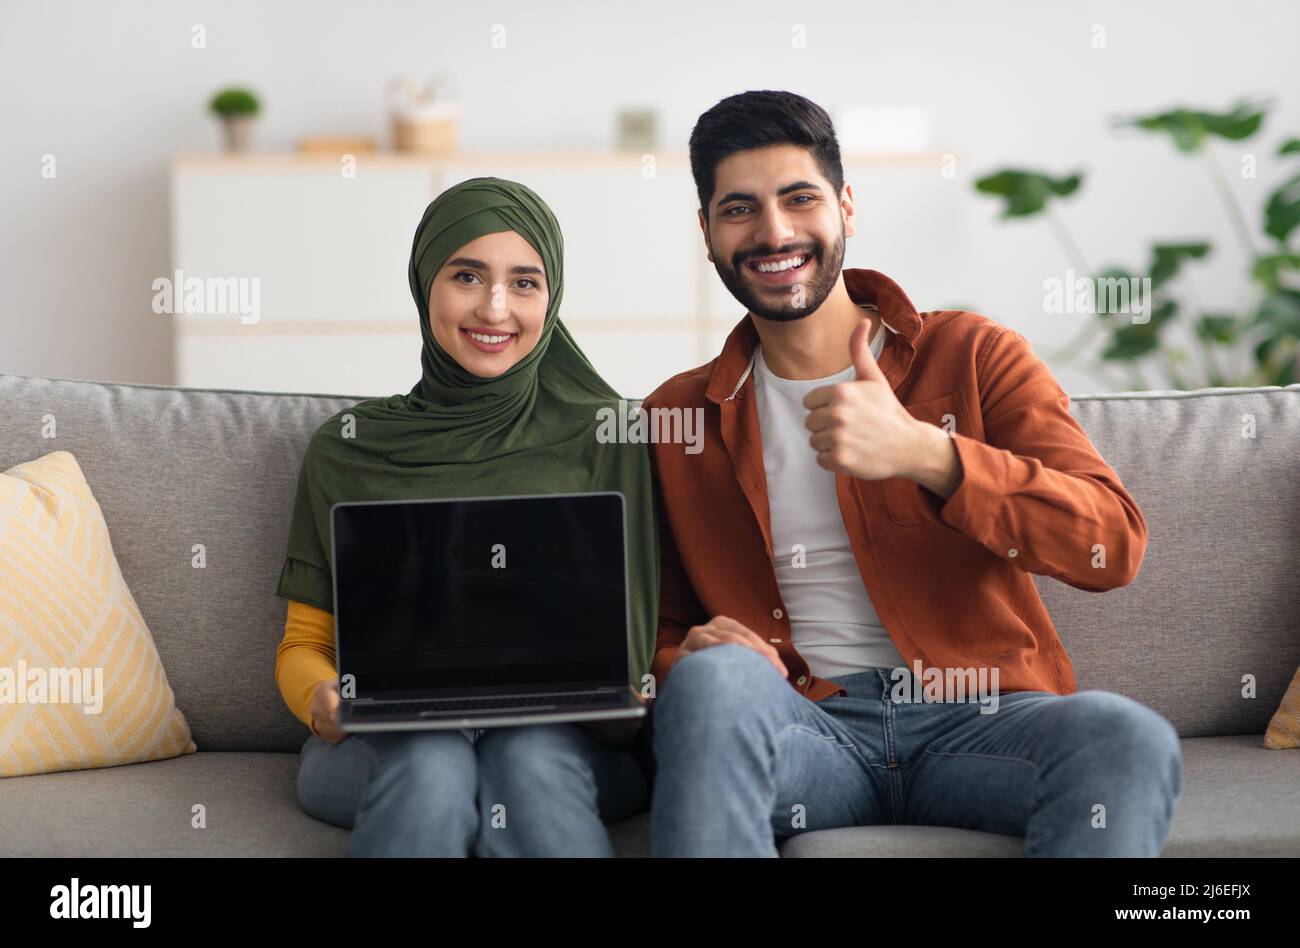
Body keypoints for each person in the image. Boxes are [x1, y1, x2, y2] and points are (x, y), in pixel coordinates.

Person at [643, 90, 1183, 857]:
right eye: (739, 209)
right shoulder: (677, 419)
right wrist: (690, 656)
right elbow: (651, 639)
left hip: (981, 724)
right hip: (805, 732)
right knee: (710, 686)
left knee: (1124, 737)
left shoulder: (973, 354)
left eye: (800, 199)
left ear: (847, 208)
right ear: (706, 233)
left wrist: (928, 455)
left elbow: (1111, 543)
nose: (774, 231)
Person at [274, 177, 657, 857]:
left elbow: (645, 638)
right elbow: (304, 645)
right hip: (389, 744)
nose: (495, 307)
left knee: (528, 762)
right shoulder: (349, 447)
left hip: (564, 746)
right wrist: (326, 701)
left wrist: (622, 698)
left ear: (552, 297)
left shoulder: (609, 438)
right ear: (427, 285)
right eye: (467, 275)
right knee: (433, 763)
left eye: (525, 282)